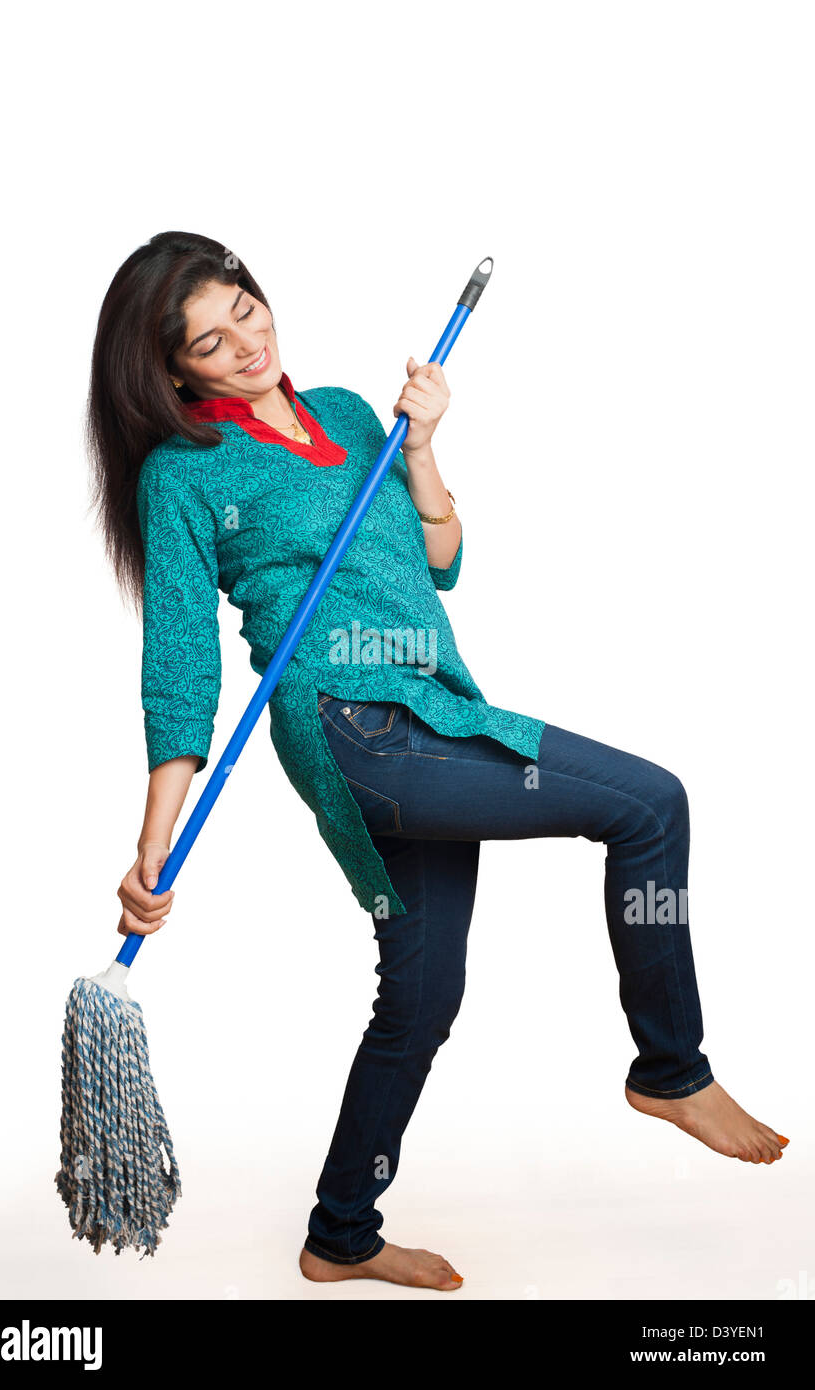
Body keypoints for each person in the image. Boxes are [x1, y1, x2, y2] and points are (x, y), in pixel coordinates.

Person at [87, 230, 788, 1292]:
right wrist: (153, 848)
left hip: (431, 705)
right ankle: (671, 1068)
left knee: (419, 999)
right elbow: (179, 663)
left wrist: (417, 445)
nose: (244, 341)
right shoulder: (186, 475)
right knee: (648, 806)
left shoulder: (347, 412)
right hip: (356, 730)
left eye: (245, 308)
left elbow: (442, 562)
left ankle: (341, 1233)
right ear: (173, 370)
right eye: (208, 341)